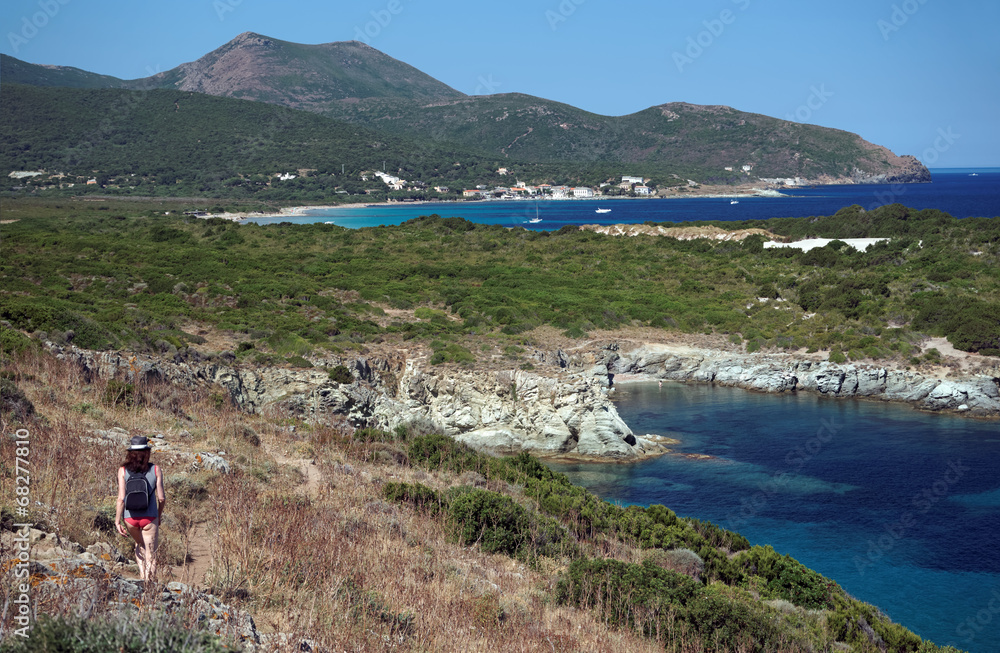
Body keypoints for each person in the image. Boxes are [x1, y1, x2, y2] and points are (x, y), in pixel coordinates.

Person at [115, 435, 165, 584]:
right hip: (149, 517)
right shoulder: (155, 469)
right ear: (147, 452)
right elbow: (161, 498)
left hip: (129, 518)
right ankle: (149, 586)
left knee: (139, 544)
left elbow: (121, 498)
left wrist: (117, 521)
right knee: (151, 554)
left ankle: (142, 579)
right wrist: (158, 515)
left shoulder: (122, 470)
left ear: (130, 453)